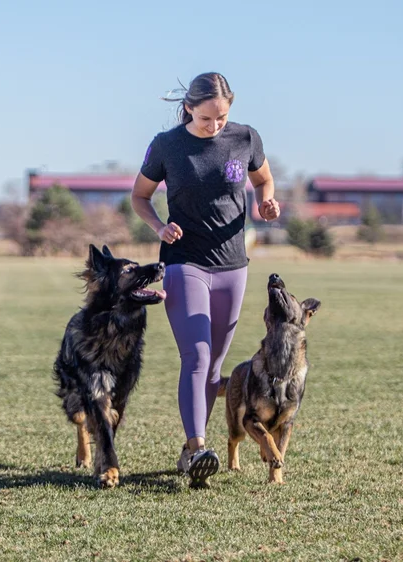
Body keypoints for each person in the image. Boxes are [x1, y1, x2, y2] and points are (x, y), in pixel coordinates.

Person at [131, 72, 281, 488]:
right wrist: (159, 227)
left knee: (214, 368)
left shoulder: (245, 138)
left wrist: (267, 201)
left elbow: (263, 179)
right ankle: (198, 447)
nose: (214, 126)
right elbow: (139, 196)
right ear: (188, 109)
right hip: (184, 262)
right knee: (196, 357)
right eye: (205, 118)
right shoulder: (167, 146)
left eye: (222, 118)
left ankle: (188, 452)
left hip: (233, 265)